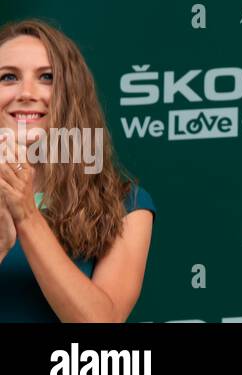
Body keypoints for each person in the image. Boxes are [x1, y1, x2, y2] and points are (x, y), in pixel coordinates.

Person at [0, 18, 155, 322]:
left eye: (47, 77)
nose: (27, 93)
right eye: (8, 78)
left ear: (70, 94)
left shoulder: (124, 204)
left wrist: (26, 214)